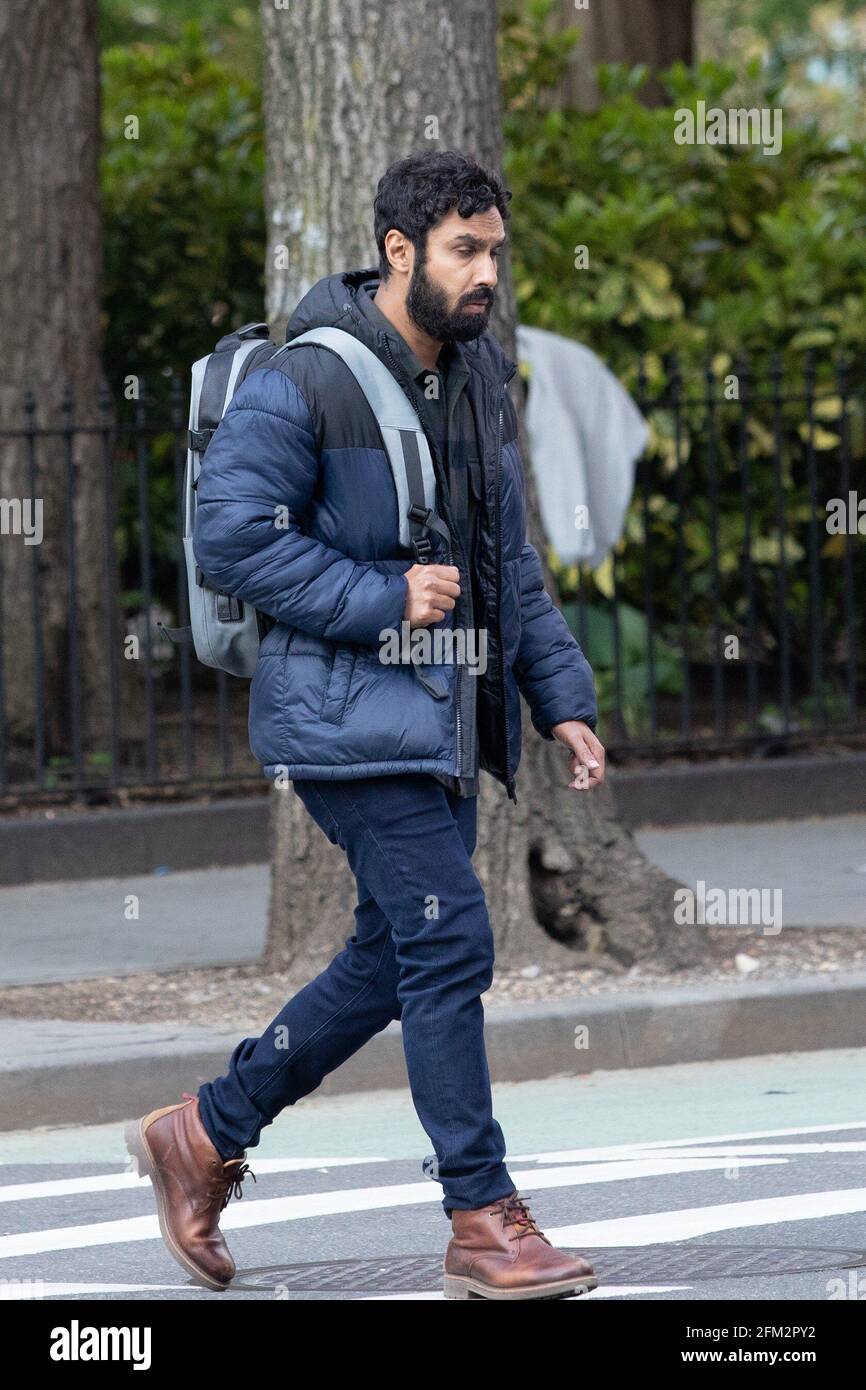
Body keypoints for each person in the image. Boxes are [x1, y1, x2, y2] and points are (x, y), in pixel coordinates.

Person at [125, 149, 605, 1300]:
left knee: (397, 949)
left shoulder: (481, 375)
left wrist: (563, 698)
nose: (486, 272)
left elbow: (508, 560)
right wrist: (381, 597)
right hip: (344, 717)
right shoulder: (307, 378)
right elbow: (231, 536)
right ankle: (482, 1217)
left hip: (436, 711)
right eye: (463, 251)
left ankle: (205, 1128)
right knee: (447, 940)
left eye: (495, 250)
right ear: (400, 252)